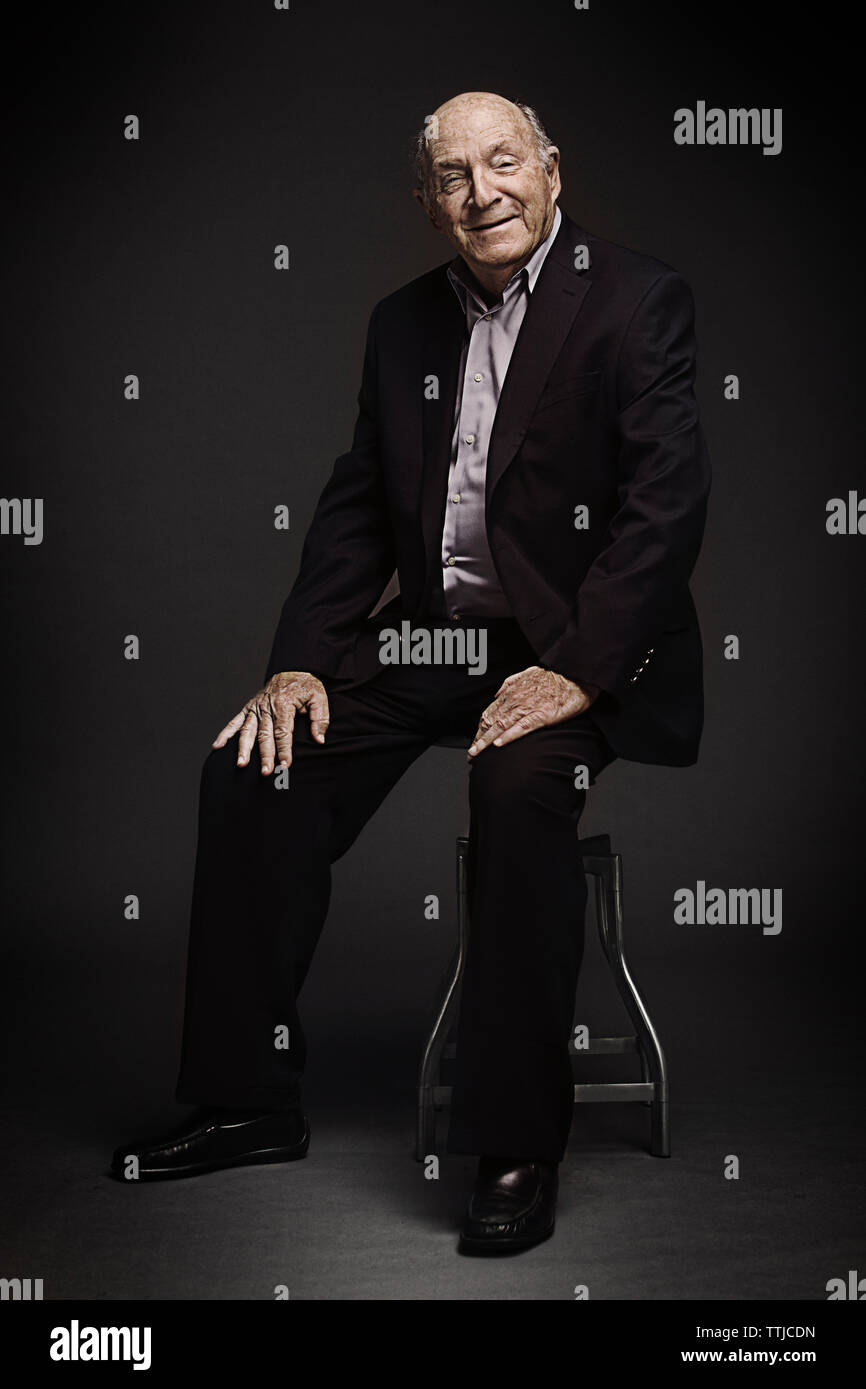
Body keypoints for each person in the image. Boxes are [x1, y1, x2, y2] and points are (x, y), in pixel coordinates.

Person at [111, 90, 711, 1255]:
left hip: (580, 639)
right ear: (428, 199)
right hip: (440, 635)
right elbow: (353, 517)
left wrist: (579, 669)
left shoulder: (637, 300)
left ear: (547, 168)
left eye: (500, 163)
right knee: (255, 767)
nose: (479, 190)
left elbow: (663, 511)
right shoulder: (400, 325)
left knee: (516, 791)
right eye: (451, 175)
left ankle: (514, 1144)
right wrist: (299, 663)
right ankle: (245, 1101)